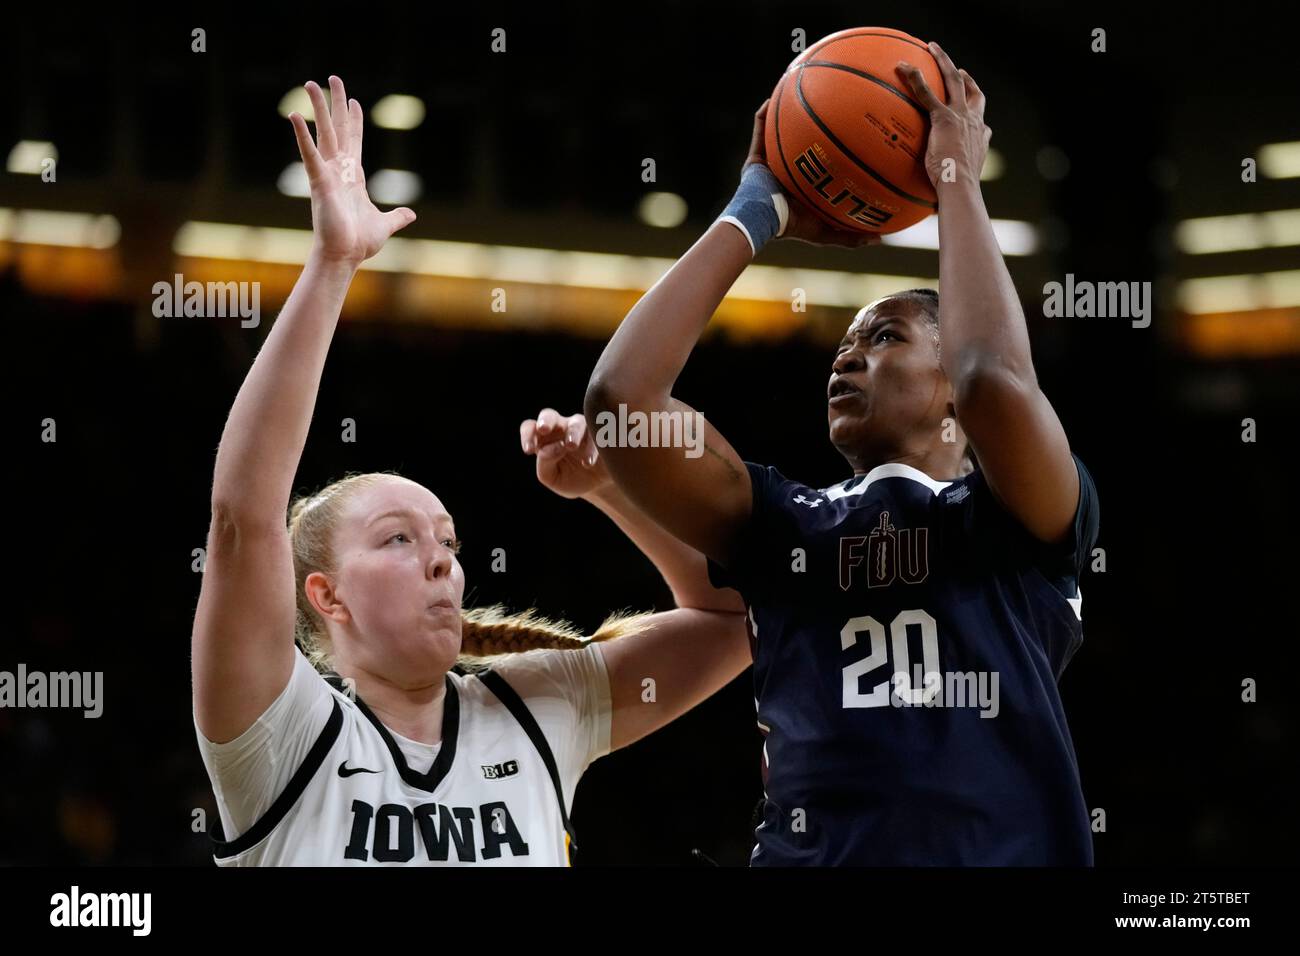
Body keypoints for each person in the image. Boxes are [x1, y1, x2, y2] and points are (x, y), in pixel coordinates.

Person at [191, 76, 750, 866]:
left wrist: (609, 490)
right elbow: (244, 518)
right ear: (326, 595)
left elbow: (735, 616)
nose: (442, 558)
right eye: (396, 540)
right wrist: (332, 265)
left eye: (447, 539)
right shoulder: (283, 736)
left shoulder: (537, 708)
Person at [584, 42, 1100, 865]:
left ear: (949, 399)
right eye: (845, 344)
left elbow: (994, 380)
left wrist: (956, 180)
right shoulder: (786, 523)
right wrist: (755, 210)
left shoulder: (1014, 515)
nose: (846, 356)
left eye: (885, 337)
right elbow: (621, 405)